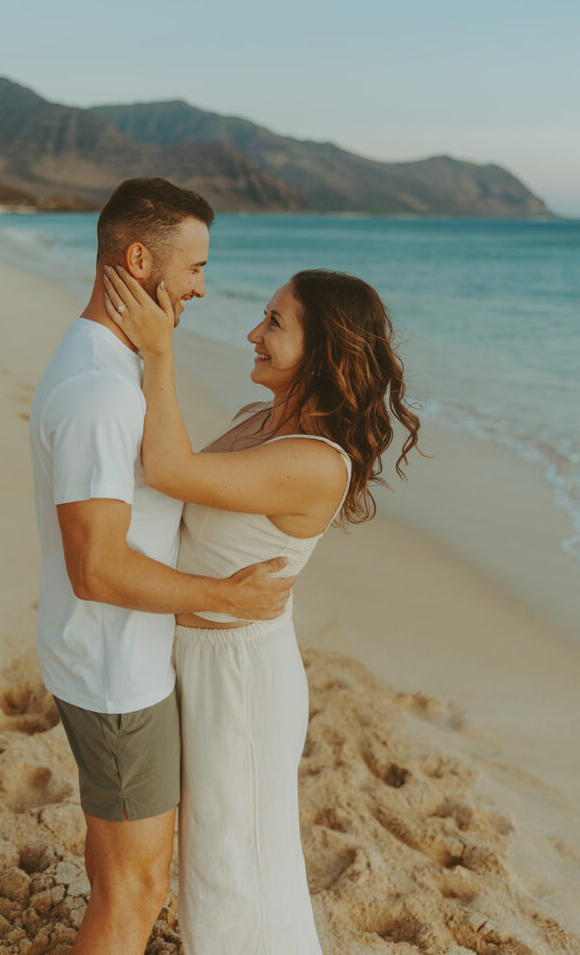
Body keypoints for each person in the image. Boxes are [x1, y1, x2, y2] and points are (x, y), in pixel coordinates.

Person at [103, 264, 421, 955]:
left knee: (234, 862)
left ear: (326, 349)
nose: (254, 332)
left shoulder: (315, 460)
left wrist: (160, 350)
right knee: (217, 857)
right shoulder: (259, 419)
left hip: (242, 675)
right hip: (197, 654)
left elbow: (170, 470)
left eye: (275, 323)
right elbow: (165, 466)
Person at [28, 178, 294, 955]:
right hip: (115, 671)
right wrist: (225, 598)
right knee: (136, 891)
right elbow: (99, 569)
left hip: (118, 654)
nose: (202, 289)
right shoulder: (100, 392)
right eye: (195, 268)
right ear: (138, 258)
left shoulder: (115, 363)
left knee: (124, 869)